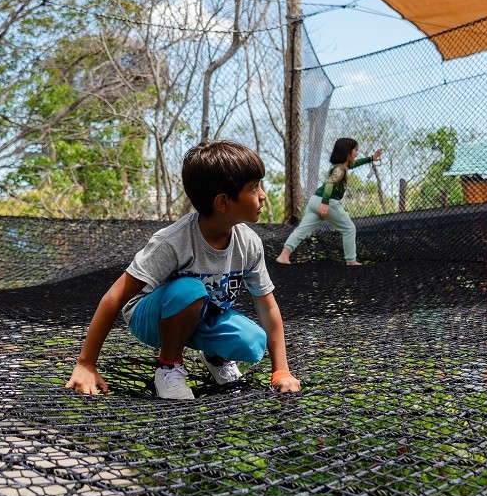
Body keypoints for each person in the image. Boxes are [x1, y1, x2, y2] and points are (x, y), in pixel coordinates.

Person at [66, 140, 301, 400]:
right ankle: (168, 367)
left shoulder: (249, 243)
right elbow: (115, 297)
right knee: (189, 290)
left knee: (252, 341)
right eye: (254, 187)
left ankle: (215, 357)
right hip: (151, 317)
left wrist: (281, 370)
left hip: (201, 316)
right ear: (223, 202)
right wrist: (86, 363)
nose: (263, 195)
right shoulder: (174, 241)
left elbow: (267, 306)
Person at [276, 137, 383, 266]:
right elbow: (329, 183)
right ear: (348, 153)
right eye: (356, 150)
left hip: (314, 201)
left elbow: (354, 164)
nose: (357, 153)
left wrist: (371, 158)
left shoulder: (342, 166)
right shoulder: (340, 169)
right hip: (328, 201)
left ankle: (284, 255)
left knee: (302, 230)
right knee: (349, 229)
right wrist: (325, 203)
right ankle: (351, 261)